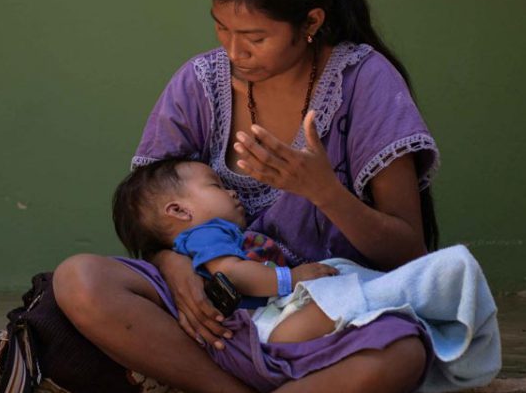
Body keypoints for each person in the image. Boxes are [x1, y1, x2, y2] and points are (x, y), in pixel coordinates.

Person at [52, 0, 446, 393]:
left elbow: (408, 249)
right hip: (216, 318)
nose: (234, 51)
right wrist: (176, 268)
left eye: (255, 37)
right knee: (80, 280)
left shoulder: (364, 81)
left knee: (404, 355)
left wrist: (322, 191)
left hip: (321, 322)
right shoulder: (199, 83)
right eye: (221, 28)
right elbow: (148, 212)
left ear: (310, 23)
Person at [113, 157, 499, 374]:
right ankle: (418, 287)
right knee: (336, 299)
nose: (231, 191)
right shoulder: (205, 234)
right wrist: (291, 277)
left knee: (339, 281)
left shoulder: (212, 233)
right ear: (179, 210)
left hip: (274, 315)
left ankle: (400, 293)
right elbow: (229, 273)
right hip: (258, 329)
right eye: (216, 186)